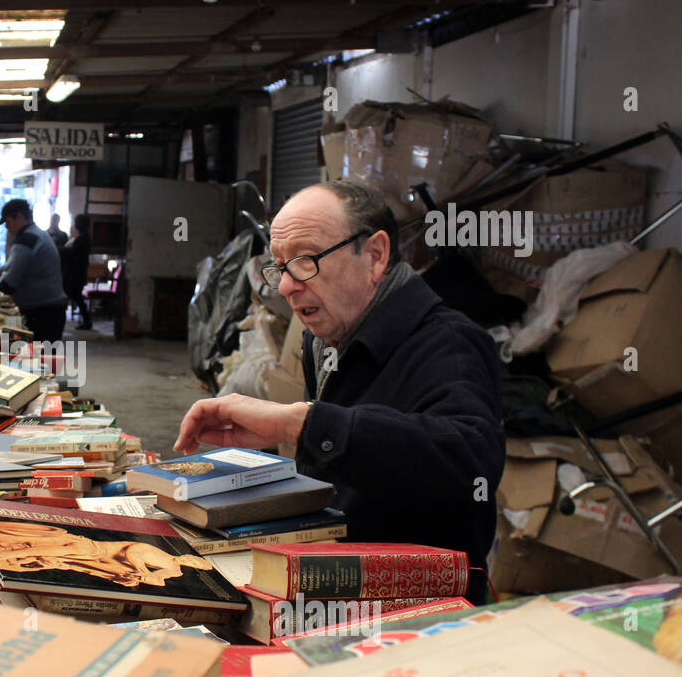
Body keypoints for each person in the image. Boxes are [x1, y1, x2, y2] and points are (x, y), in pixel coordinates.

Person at [173, 180, 505, 605]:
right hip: (332, 587)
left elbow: (471, 463)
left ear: (375, 255)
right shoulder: (328, 339)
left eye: (306, 260)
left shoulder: (451, 345)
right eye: (279, 267)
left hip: (420, 615)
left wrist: (303, 423)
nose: (287, 286)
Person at [0, 198, 68, 344]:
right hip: (51, 310)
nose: (7, 228)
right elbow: (9, 267)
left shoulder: (27, 239)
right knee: (44, 359)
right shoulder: (37, 234)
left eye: (8, 222)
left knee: (39, 361)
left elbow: (9, 281)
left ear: (19, 217)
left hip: (42, 312)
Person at [59, 212, 93, 330]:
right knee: (77, 298)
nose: (75, 225)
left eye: (76, 223)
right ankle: (87, 322)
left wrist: (62, 250)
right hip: (77, 273)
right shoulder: (83, 238)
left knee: (66, 298)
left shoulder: (81, 239)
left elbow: (74, 255)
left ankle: (60, 323)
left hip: (75, 274)